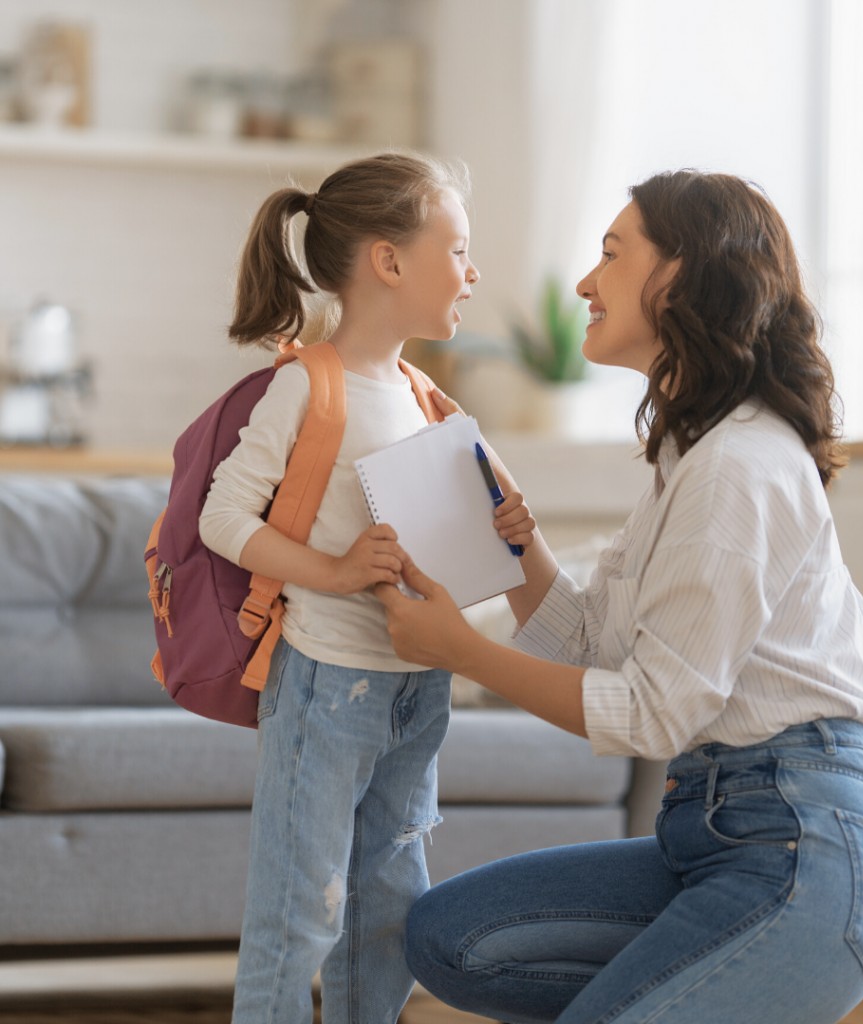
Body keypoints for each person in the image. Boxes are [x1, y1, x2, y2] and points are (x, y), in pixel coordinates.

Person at [377, 168, 863, 1024]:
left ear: (684, 275)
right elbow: (592, 644)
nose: (587, 282)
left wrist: (462, 652)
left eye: (612, 255)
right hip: (709, 834)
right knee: (449, 936)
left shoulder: (738, 469)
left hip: (801, 846)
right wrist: (516, 548)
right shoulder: (689, 460)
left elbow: (652, 715)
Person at [198, 152, 531, 1024]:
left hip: (418, 694)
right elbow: (223, 518)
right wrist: (339, 573)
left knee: (388, 917)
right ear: (388, 261)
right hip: (326, 690)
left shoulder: (430, 403)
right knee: (299, 911)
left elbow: (467, 578)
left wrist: (507, 539)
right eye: (456, 249)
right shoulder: (308, 385)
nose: (473, 271)